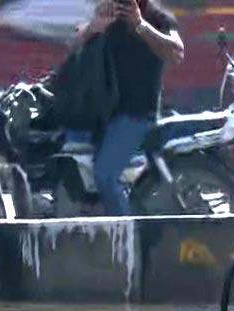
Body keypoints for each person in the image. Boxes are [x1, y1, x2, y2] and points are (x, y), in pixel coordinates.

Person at [73, 0, 184, 217]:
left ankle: (128, 238)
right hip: (106, 113)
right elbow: (74, 44)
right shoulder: (111, 15)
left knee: (104, 176)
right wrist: (94, 26)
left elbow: (177, 52)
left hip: (138, 114)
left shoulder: (157, 17)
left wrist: (140, 25)